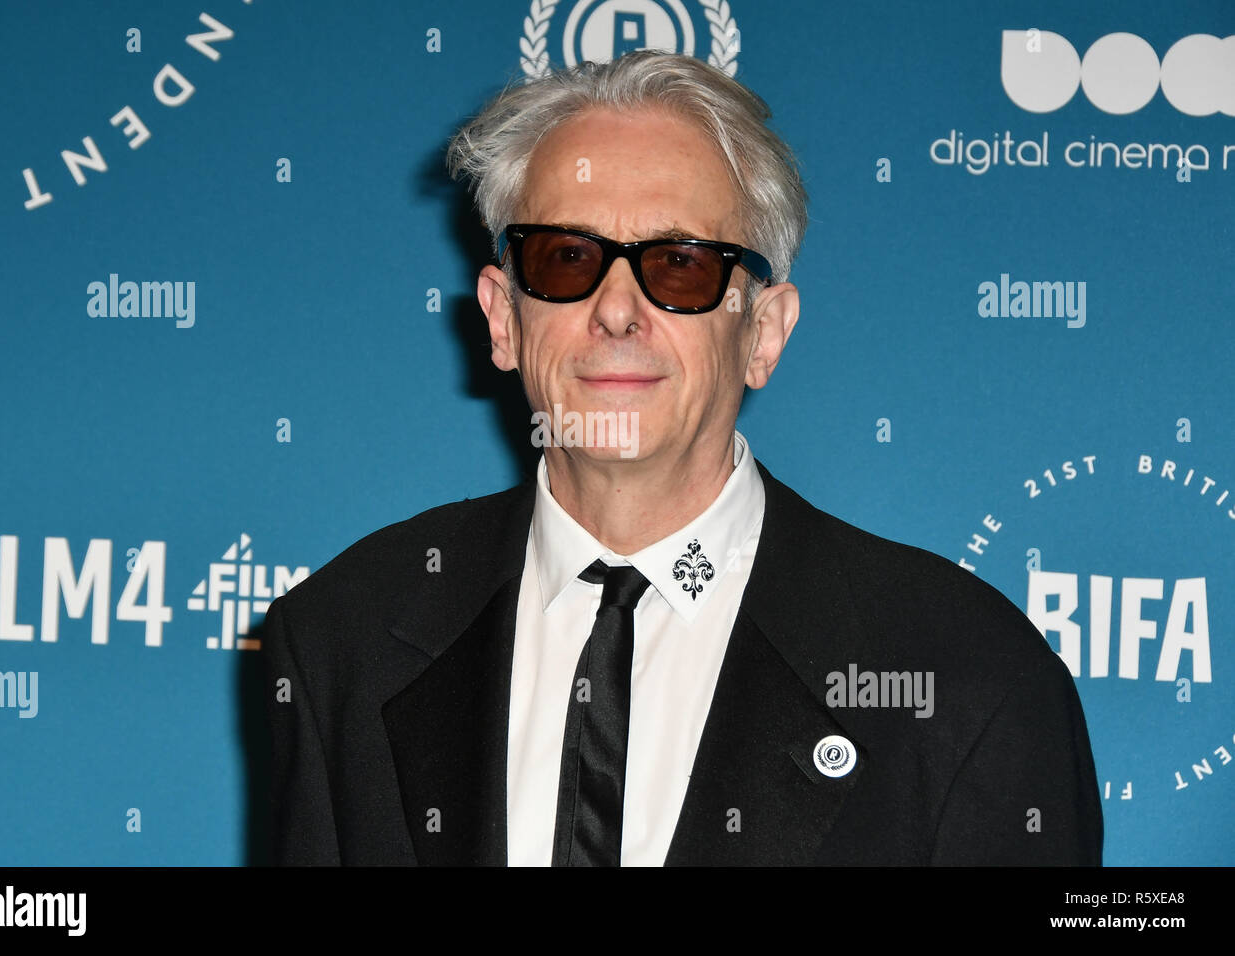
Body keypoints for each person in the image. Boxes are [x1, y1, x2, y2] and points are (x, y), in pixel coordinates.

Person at [262, 50, 1102, 866]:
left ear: (763, 334)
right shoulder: (344, 641)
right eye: (567, 257)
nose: (617, 311)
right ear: (503, 318)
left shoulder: (969, 676)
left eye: (679, 265)